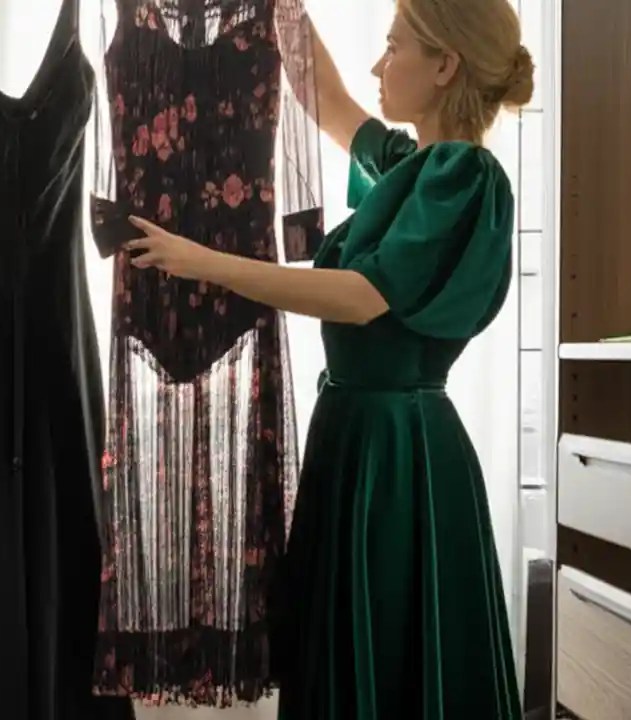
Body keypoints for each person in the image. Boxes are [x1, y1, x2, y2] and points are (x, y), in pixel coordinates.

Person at [123, 0, 534, 716]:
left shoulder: (464, 176)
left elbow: (361, 296)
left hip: (396, 454)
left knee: (389, 648)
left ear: (445, 65)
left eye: (394, 48)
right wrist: (282, 10)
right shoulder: (412, 167)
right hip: (357, 437)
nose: (379, 64)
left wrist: (206, 263)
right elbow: (329, 102)